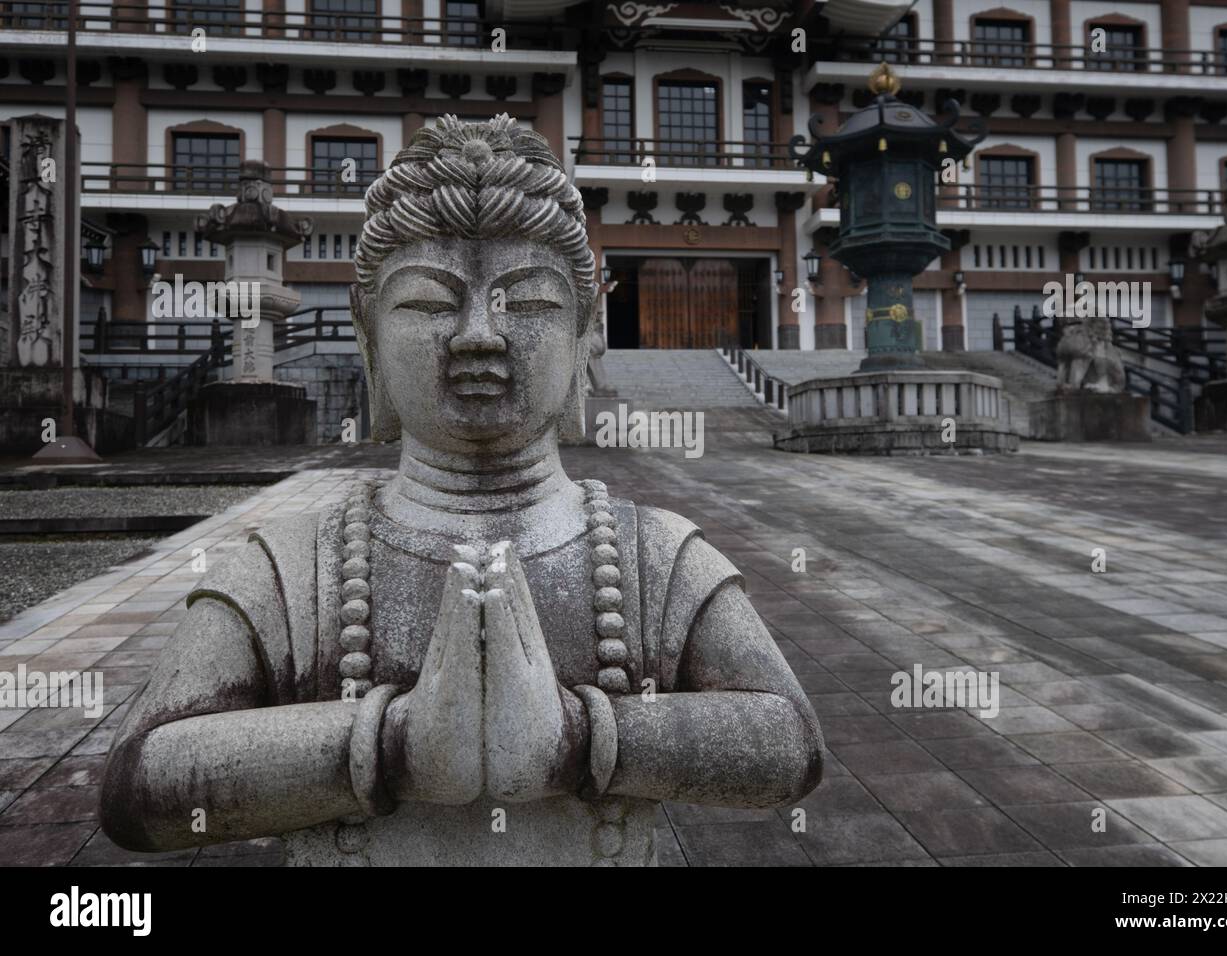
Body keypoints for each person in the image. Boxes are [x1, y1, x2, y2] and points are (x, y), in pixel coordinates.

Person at [100, 114, 823, 866]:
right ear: (368, 337)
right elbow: (136, 788)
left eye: (531, 302)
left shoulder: (657, 554)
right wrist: (398, 745)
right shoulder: (284, 567)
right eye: (429, 303)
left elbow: (790, 742)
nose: (479, 332)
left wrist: (577, 739)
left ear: (587, 337)